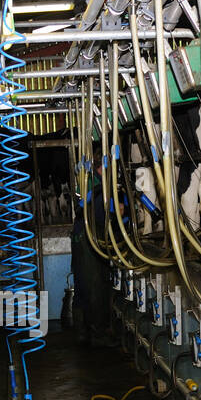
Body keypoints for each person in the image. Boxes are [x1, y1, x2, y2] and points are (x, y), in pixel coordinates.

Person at [70, 146, 114, 346]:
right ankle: (98, 334)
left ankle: (82, 331)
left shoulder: (94, 182)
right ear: (102, 165)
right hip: (88, 239)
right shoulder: (93, 184)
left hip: (83, 238)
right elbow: (83, 205)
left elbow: (111, 210)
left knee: (83, 286)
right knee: (94, 286)